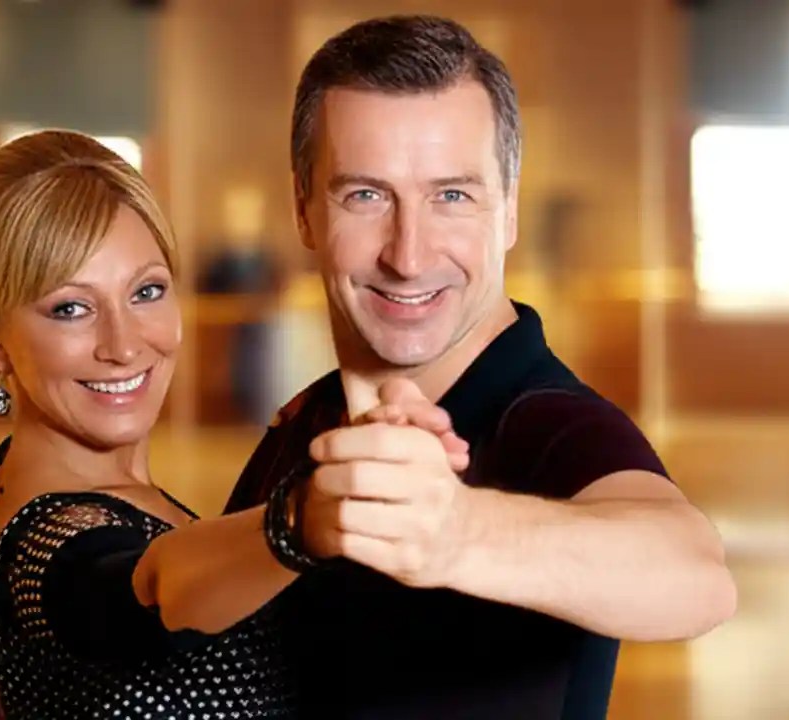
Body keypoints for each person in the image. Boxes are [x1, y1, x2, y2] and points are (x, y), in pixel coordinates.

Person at [223, 15, 739, 720]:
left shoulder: (550, 421)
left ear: (508, 212)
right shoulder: (304, 423)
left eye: (452, 196)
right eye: (366, 195)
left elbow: (696, 576)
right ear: (304, 210)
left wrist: (458, 531)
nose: (408, 255)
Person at [0, 129, 470, 718]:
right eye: (72, 308)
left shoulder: (13, 482)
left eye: (146, 292)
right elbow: (146, 588)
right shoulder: (49, 542)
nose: (123, 345)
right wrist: (304, 519)